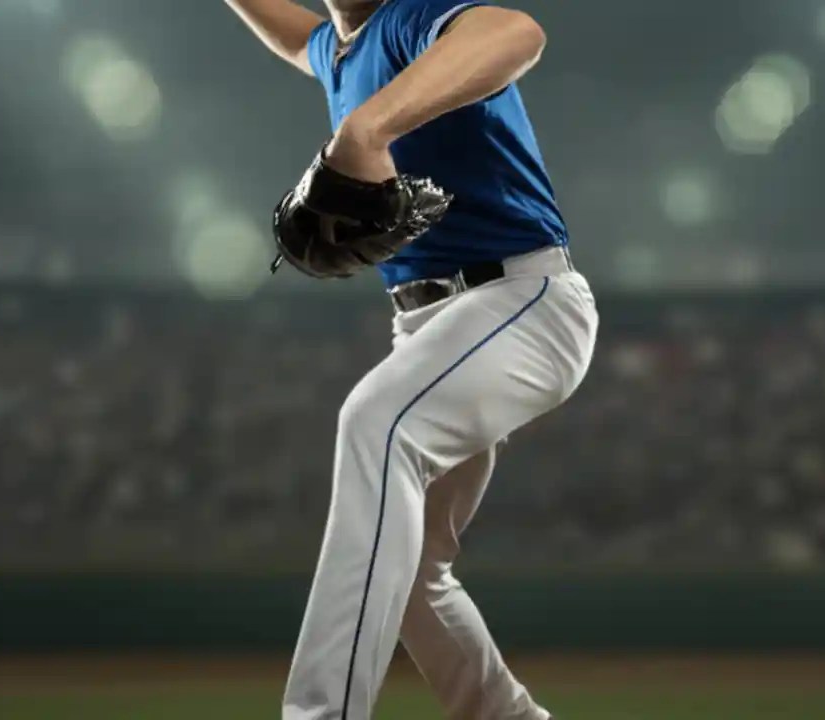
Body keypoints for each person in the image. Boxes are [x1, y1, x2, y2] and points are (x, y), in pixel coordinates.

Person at [224, 1, 598, 717]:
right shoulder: (339, 50)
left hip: (521, 300)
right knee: (417, 575)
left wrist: (367, 128)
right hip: (432, 326)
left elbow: (517, 33)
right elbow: (298, 38)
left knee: (377, 422)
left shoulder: (411, 15)